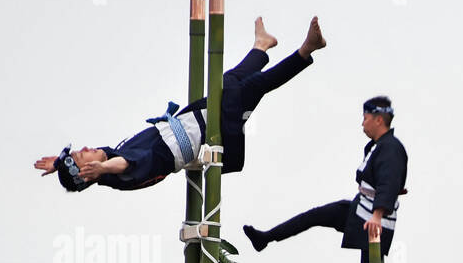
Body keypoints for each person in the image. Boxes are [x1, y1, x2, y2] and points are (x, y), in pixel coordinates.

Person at [35, 18, 325, 191]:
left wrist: (62, 163)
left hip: (197, 118)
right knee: (251, 87)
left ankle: (261, 46)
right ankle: (306, 50)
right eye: (84, 157)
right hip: (216, 134)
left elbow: (110, 160)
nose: (86, 149)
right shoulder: (121, 171)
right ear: (93, 171)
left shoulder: (111, 163)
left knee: (230, 81)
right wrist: (101, 169)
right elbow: (122, 164)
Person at [241, 96, 408, 263]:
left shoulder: (391, 147)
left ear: (379, 119)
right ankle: (266, 237)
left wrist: (377, 214)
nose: (362, 124)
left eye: (365, 118)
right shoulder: (380, 145)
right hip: (361, 209)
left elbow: (389, 181)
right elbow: (383, 179)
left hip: (373, 219)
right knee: (316, 216)